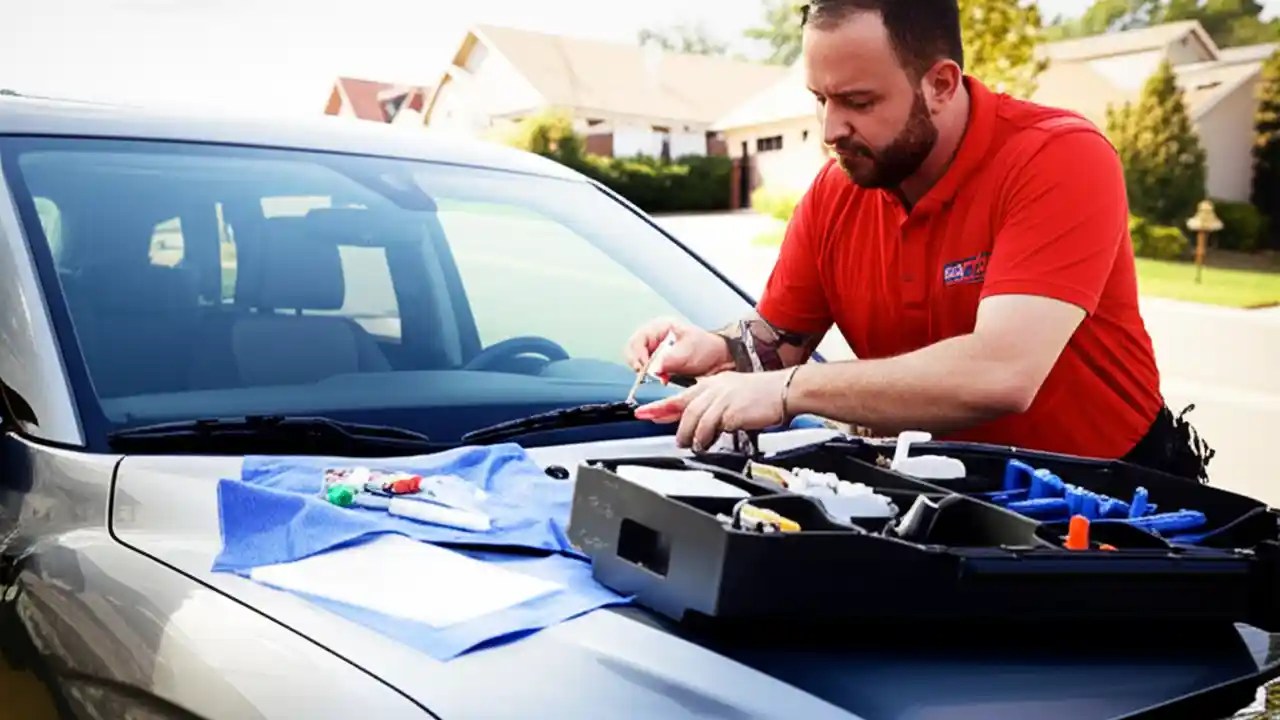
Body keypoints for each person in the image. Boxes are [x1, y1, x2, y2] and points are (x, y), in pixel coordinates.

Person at [624, 0, 1214, 481]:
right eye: (820, 101)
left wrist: (788, 391)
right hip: (937, 490)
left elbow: (1002, 374)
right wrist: (717, 347)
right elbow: (781, 340)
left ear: (940, 83)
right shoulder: (838, 189)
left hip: (1118, 498)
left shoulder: (1058, 158)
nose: (831, 130)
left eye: (858, 102)